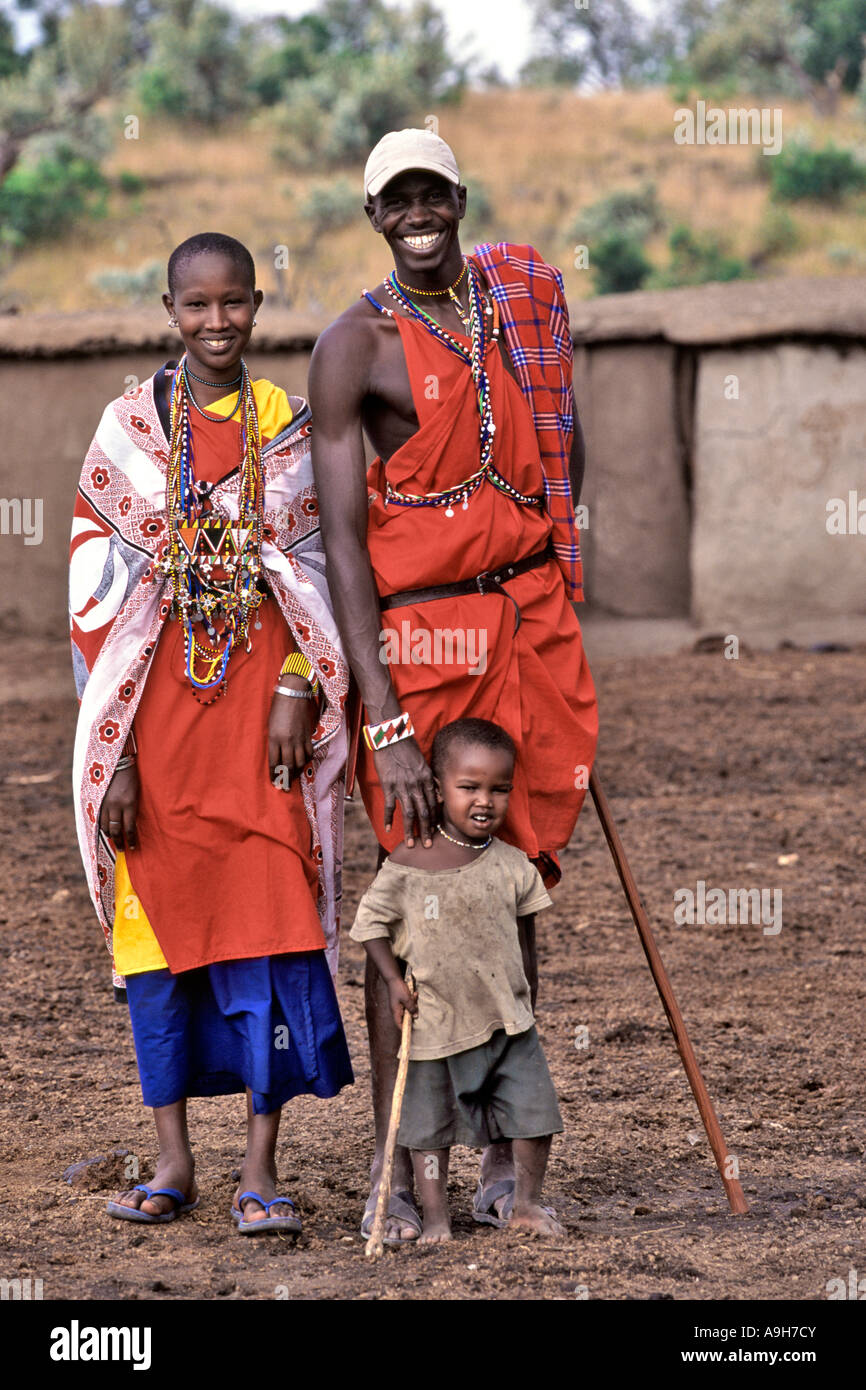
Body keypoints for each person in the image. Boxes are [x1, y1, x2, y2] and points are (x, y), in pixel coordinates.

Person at [309, 128, 598, 1241]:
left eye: (433, 194)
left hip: (527, 626)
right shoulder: (353, 345)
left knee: (510, 890)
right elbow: (342, 544)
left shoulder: (516, 311)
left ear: (458, 199)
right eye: (397, 200)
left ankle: (501, 1172)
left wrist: (559, 605)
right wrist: (381, 718)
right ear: (375, 215)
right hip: (422, 648)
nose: (417, 213)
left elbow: (568, 454)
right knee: (423, 899)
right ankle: (406, 1169)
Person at [70, 232, 353, 1234]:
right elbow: (96, 603)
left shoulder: (285, 424)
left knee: (270, 931)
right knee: (160, 947)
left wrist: (295, 687)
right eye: (197, 305)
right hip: (158, 735)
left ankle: (260, 1168)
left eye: (234, 303)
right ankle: (172, 1158)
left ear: (257, 306)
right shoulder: (128, 432)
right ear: (167, 309)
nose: (217, 322)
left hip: (258, 736)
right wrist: (118, 761)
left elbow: (315, 570)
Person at [351, 717, 564, 1243]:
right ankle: (437, 1218)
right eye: (469, 787)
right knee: (427, 1131)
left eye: (499, 789)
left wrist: (525, 1005)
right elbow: (371, 924)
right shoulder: (407, 865)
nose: (484, 801)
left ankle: (526, 1203)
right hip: (434, 1027)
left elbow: (525, 942)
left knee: (535, 1116)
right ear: (438, 788)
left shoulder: (515, 866)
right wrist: (393, 980)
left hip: (507, 1025)